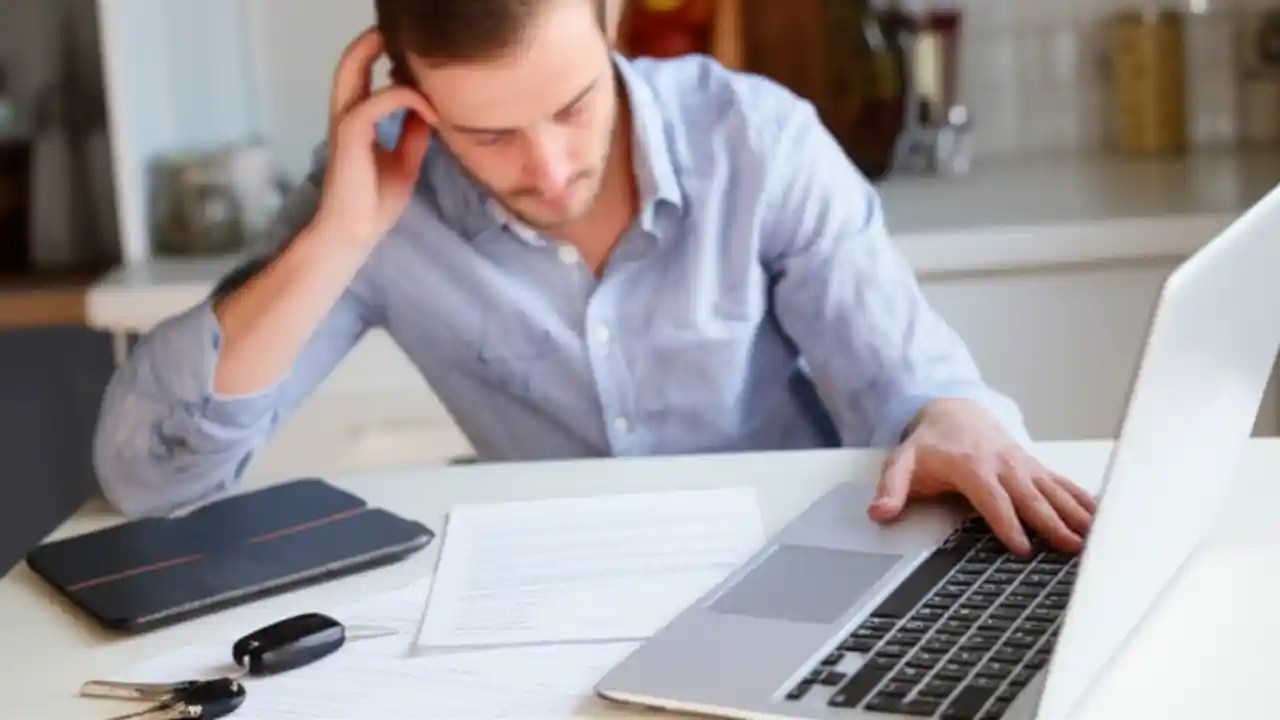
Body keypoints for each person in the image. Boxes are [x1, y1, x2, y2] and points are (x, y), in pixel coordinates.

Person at [92, 0, 1095, 556]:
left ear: (611, 14)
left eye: (571, 104)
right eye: (488, 132)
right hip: (549, 611)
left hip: (806, 564)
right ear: (404, 90)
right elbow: (149, 479)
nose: (549, 167)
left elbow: (908, 386)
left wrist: (952, 415)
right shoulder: (381, 202)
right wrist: (339, 235)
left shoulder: (759, 141)